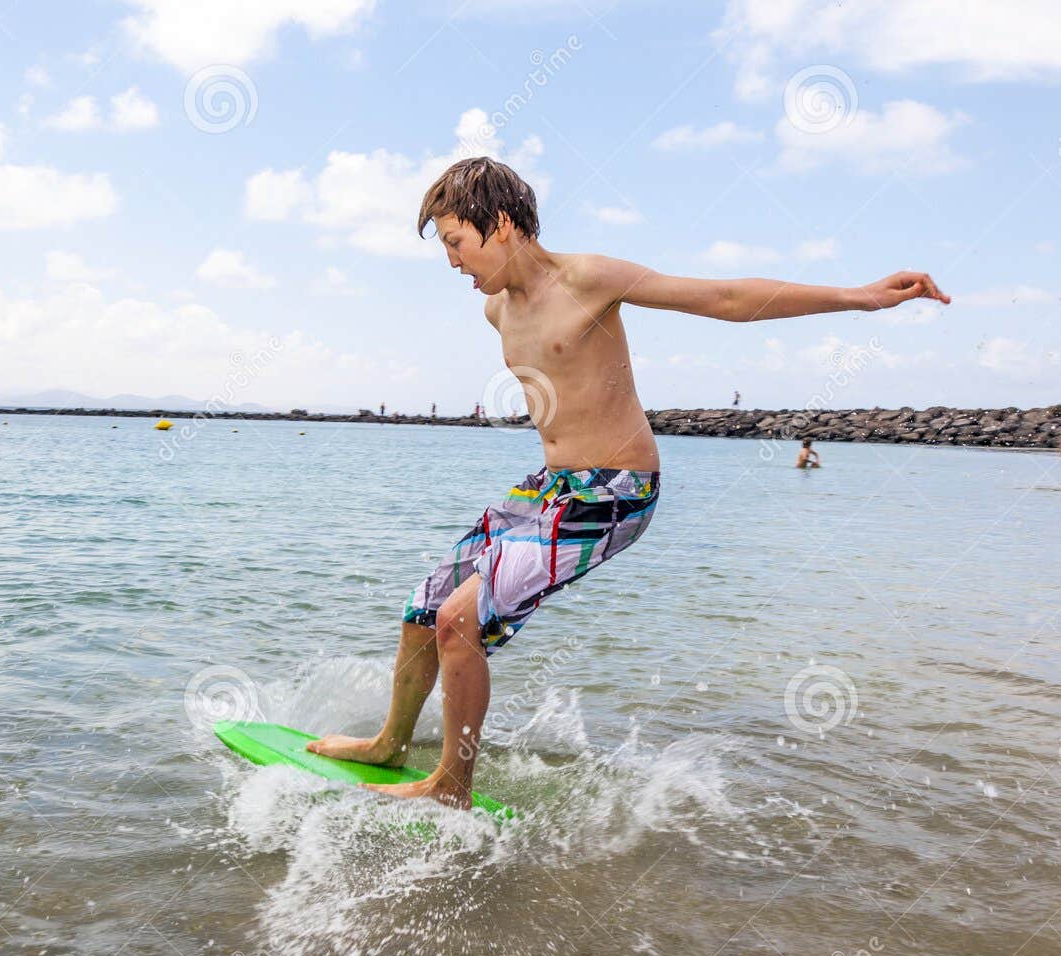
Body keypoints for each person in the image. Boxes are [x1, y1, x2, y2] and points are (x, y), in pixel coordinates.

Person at [305, 156, 950, 807]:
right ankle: (391, 742)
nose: (451, 262)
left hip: (616, 491)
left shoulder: (587, 279)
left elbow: (724, 299)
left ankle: (451, 784)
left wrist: (859, 296)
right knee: (425, 607)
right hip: (550, 489)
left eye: (455, 243)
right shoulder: (496, 311)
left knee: (457, 621)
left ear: (500, 224)